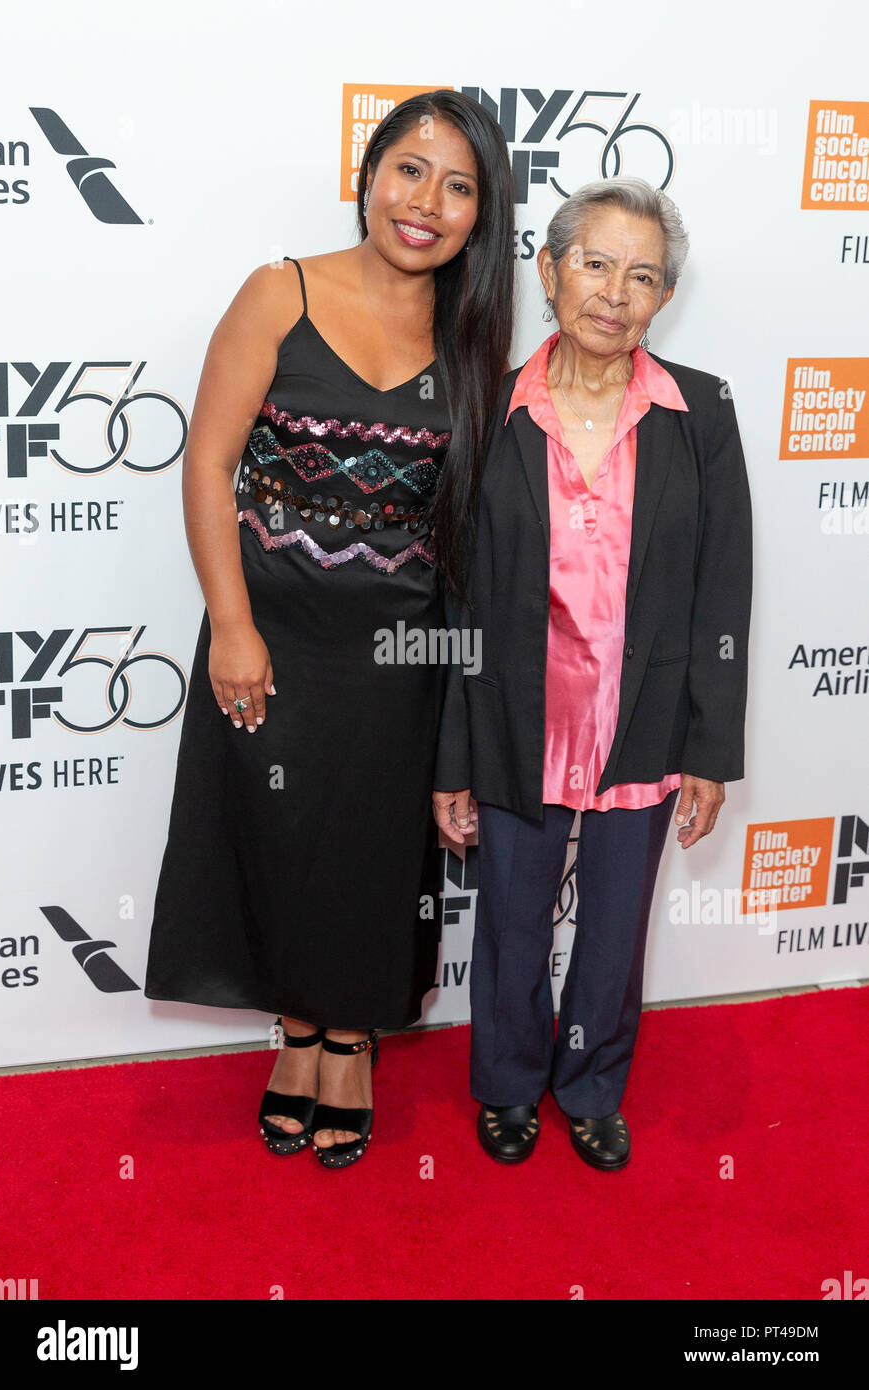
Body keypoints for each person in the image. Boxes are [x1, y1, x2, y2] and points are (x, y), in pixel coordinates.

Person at [145, 91, 513, 1169]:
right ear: (369, 175)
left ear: (479, 217)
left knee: (370, 856)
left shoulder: (473, 341)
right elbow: (208, 463)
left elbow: (462, 542)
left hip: (401, 655)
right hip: (269, 636)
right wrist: (230, 624)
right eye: (411, 170)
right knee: (270, 838)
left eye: (458, 187)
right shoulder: (279, 293)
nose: (427, 202)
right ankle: (294, 1032)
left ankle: (348, 1040)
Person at [433, 176, 752, 1169]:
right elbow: (454, 605)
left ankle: (593, 1084)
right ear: (549, 269)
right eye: (596, 262)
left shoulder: (702, 410)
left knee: (615, 935)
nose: (615, 291)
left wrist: (710, 748)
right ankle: (508, 1085)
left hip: (645, 725)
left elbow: (721, 589)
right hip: (517, 725)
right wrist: (452, 756)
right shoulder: (487, 408)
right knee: (512, 925)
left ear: (665, 297)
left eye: (643, 274)